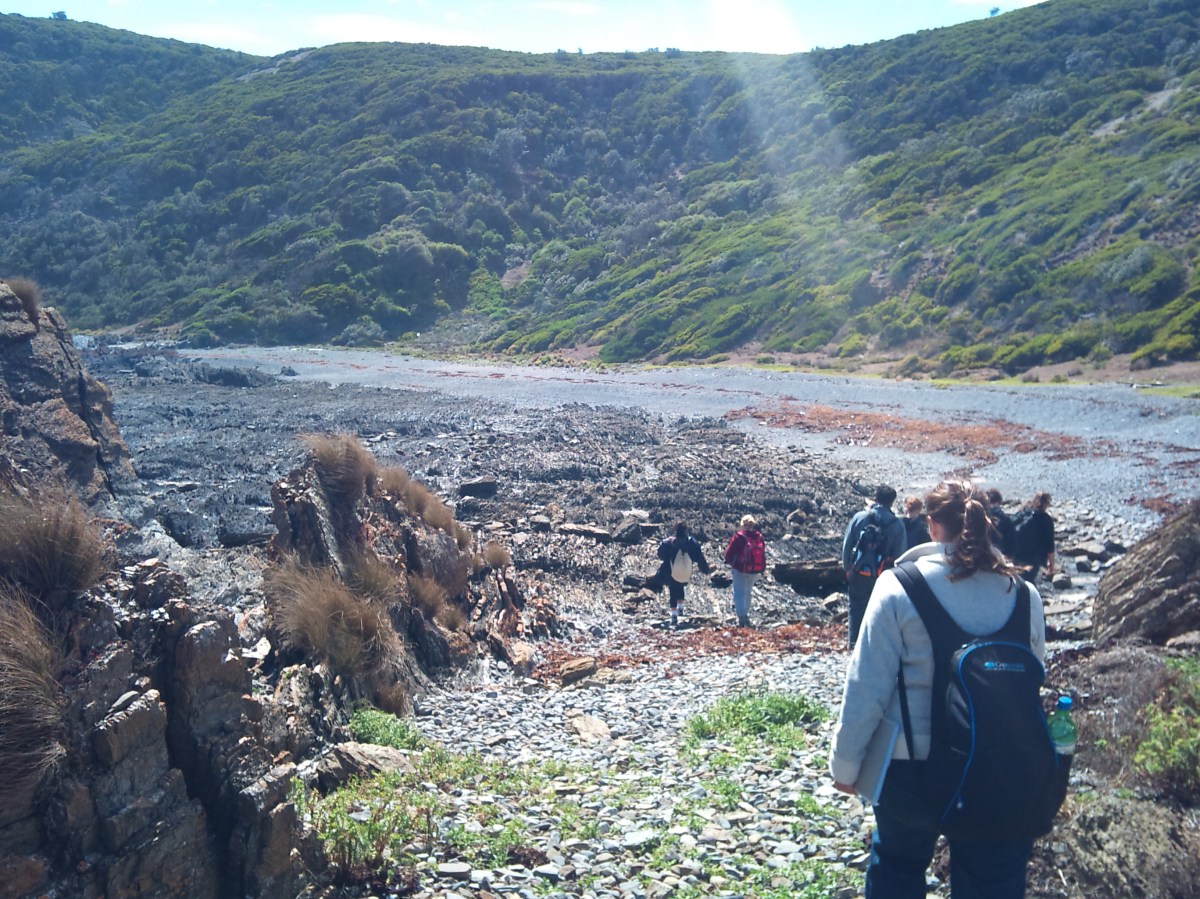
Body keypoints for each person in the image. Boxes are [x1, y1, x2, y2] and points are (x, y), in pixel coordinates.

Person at [830, 479, 1046, 899]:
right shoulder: (1025, 595)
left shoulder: (897, 586)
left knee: (897, 865)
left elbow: (866, 688)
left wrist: (845, 767)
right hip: (996, 766)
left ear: (931, 525)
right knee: (992, 880)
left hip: (911, 771)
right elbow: (1031, 684)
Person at [841, 485, 906, 647]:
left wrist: (847, 568)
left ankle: (854, 643)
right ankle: (876, 644)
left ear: (875, 498)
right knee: (881, 610)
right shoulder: (897, 525)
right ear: (892, 502)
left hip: (859, 571)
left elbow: (847, 545)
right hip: (884, 575)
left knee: (856, 607)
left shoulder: (860, 517)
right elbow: (901, 555)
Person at [656, 521, 711, 628]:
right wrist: (706, 570)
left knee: (673, 589)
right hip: (685, 572)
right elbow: (699, 557)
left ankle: (674, 615)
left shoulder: (670, 542)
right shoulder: (692, 543)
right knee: (681, 586)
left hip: (672, 572)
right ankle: (681, 608)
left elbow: (661, 555)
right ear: (686, 531)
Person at [723, 514, 765, 627]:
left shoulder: (739, 537)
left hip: (740, 569)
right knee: (747, 592)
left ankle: (742, 618)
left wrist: (733, 563)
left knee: (739, 592)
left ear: (742, 524)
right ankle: (746, 615)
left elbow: (728, 554)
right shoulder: (758, 537)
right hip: (754, 570)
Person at [1012, 491, 1056, 584]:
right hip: (1034, 558)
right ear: (1047, 504)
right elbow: (1050, 545)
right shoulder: (1047, 520)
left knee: (1017, 580)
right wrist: (1051, 565)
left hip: (1017, 555)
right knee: (1028, 582)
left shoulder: (1023, 514)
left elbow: (1011, 527)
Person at [986, 487, 1016, 559]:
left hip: (984, 554)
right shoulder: (1006, 519)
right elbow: (1012, 542)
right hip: (1000, 556)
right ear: (999, 502)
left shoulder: (980, 517)